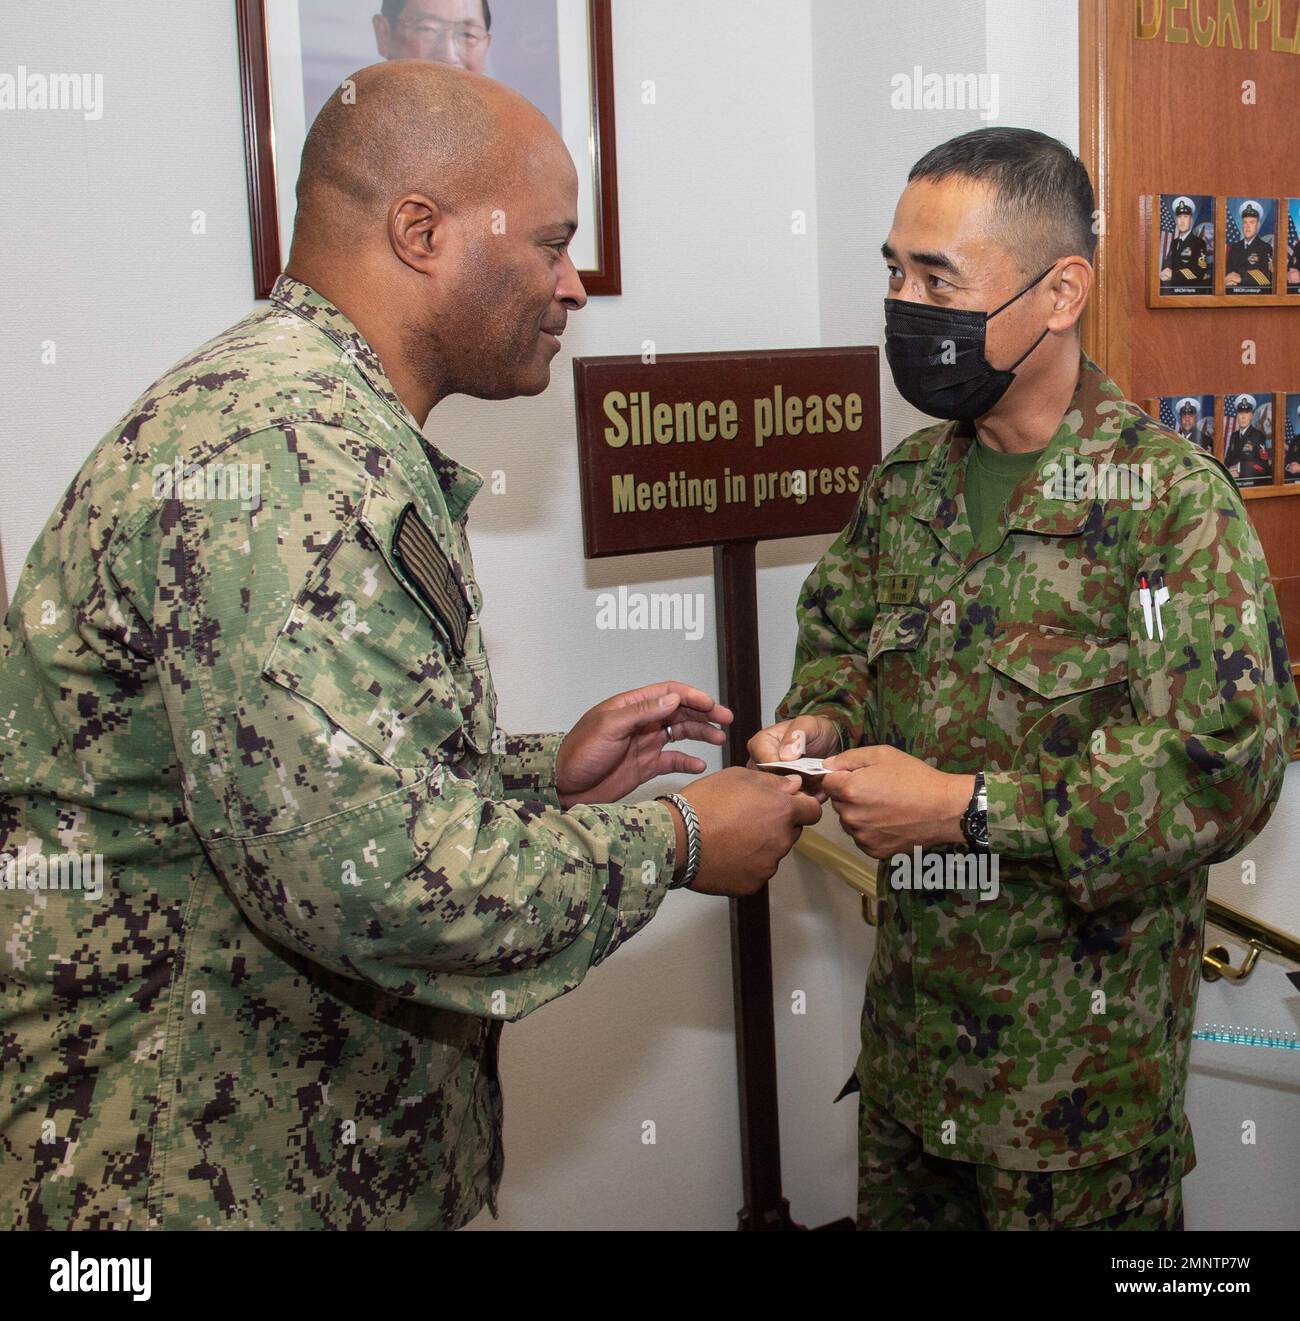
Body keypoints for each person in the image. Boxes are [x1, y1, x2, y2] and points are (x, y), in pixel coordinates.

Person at [0, 61, 820, 1231]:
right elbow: (376, 881)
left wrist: (538, 773)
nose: (572, 285)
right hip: (189, 1181)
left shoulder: (317, 420)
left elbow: (315, 782)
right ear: (422, 232)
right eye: (552, 244)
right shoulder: (286, 457)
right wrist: (680, 838)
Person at [750, 127, 1297, 1231]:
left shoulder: (1169, 506)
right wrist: (817, 726)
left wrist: (968, 809)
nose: (904, 305)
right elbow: (841, 642)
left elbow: (1221, 771)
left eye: (937, 278)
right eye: (894, 272)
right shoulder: (908, 485)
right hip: (910, 1063)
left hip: (1073, 1105)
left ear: (1059, 293)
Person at [374, 0, 492, 74]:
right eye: (427, 29)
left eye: (467, 35)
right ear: (384, 34)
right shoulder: (362, 103)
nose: (448, 57)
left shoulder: (501, 106)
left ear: (486, 47)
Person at [1159, 196, 1209, 291]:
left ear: (1191, 220)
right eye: (1179, 217)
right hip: (1172, 289)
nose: (1182, 221)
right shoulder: (1174, 242)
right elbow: (1169, 266)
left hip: (1190, 291)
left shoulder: (1199, 243)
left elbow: (1199, 272)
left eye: (1186, 217)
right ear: (1176, 220)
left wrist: (1174, 275)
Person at [1224, 395, 1272, 485]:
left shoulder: (1258, 436)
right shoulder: (1234, 436)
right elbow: (1227, 461)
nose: (1243, 417)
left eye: (1246, 413)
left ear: (1251, 416)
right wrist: (1227, 471)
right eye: (1240, 413)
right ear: (1237, 416)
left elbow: (1263, 466)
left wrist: (1239, 469)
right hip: (1232, 482)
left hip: (1249, 484)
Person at [1225, 201, 1273, 291]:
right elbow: (1228, 271)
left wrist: (1241, 277)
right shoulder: (1235, 247)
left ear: (1258, 225)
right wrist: (1228, 279)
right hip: (1233, 292)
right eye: (1245, 222)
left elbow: (1269, 275)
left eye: (1252, 222)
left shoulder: (1265, 248)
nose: (1247, 226)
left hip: (1255, 293)